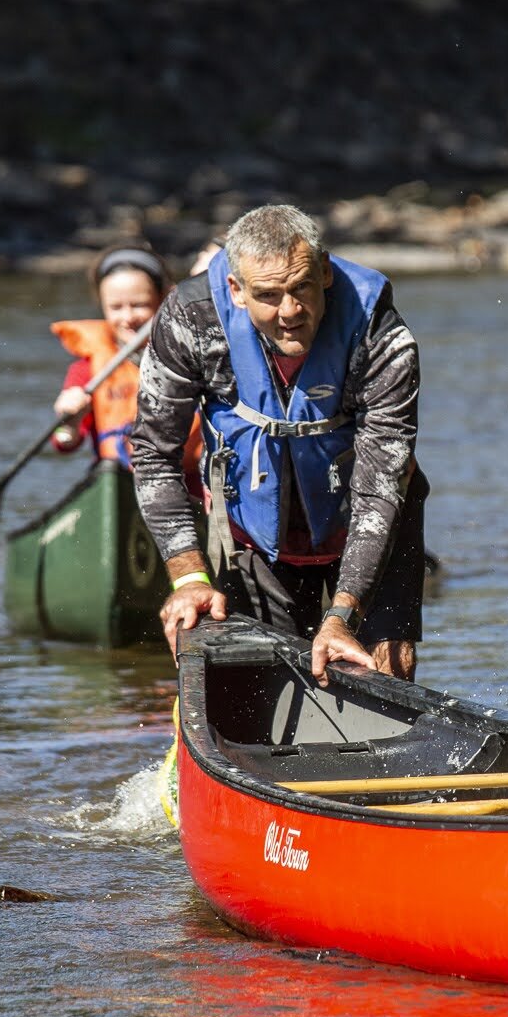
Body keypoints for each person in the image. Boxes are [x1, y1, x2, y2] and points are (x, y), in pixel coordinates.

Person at [130, 202, 427, 683]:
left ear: (325, 272)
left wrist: (343, 614)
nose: (289, 311)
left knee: (384, 670)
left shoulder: (380, 333)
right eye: (268, 295)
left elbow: (382, 483)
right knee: (267, 685)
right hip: (254, 527)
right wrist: (189, 578)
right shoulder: (190, 320)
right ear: (236, 290)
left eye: (302, 287)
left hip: (370, 515)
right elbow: (153, 454)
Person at [50, 243, 172, 467]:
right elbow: (63, 443)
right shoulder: (86, 370)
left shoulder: (190, 359)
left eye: (139, 305)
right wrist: (69, 424)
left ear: (163, 299)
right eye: (116, 307)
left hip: (184, 484)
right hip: (118, 475)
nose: (128, 317)